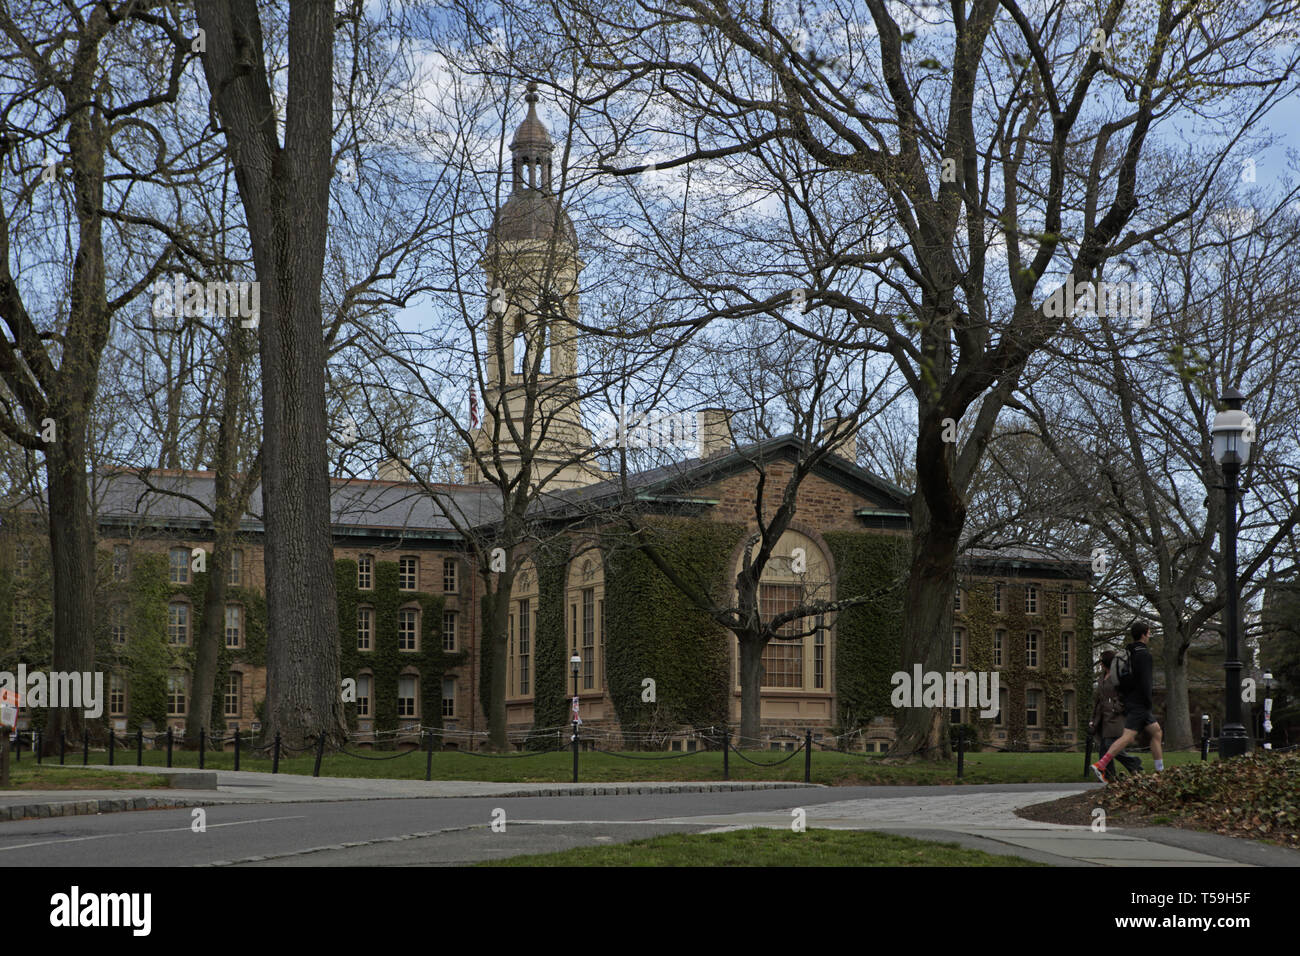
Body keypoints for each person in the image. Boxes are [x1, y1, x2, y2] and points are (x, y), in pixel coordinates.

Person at [1092, 620, 1164, 783]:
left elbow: (1122, 681)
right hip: (1140, 703)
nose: (1149, 635)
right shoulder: (1144, 655)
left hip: (1132, 701)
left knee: (1156, 732)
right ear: (1145, 633)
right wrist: (1147, 701)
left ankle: (1161, 772)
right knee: (1127, 737)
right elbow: (1145, 682)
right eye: (1149, 632)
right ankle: (1101, 764)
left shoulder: (1127, 654)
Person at [1089, 650, 1141, 780]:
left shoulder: (1118, 677)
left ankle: (1133, 763)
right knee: (1103, 748)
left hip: (1115, 717)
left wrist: (1116, 707)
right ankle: (1110, 777)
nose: (1100, 663)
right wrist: (1093, 718)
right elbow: (1098, 699)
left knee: (1109, 745)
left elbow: (1127, 696)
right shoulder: (1102, 677)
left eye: (1101, 660)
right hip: (1102, 717)